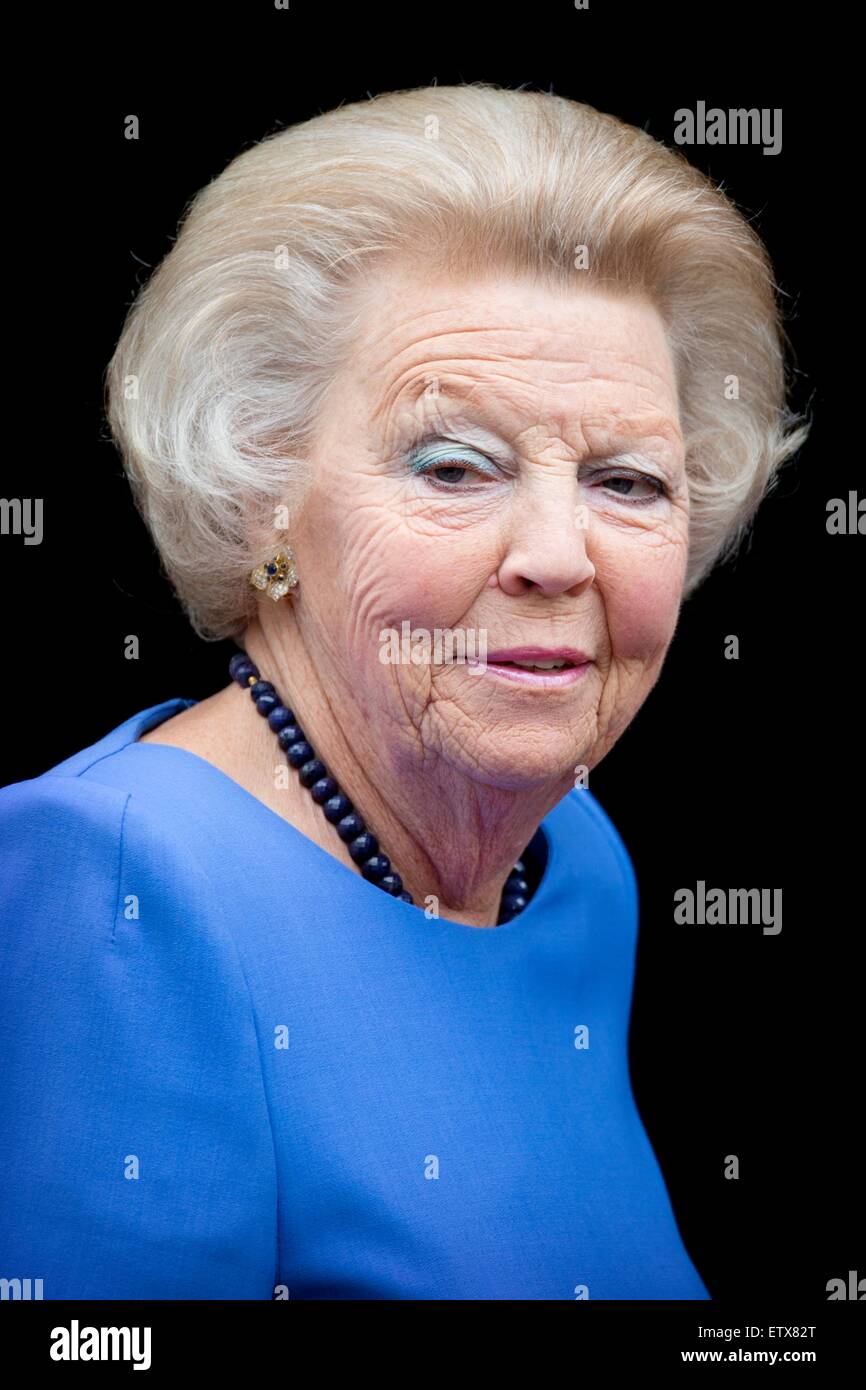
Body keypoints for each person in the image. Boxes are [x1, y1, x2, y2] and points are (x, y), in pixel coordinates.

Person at [0, 82, 807, 1299]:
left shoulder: (570, 860)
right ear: (255, 494)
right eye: (453, 465)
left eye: (628, 481)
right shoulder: (114, 882)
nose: (556, 552)